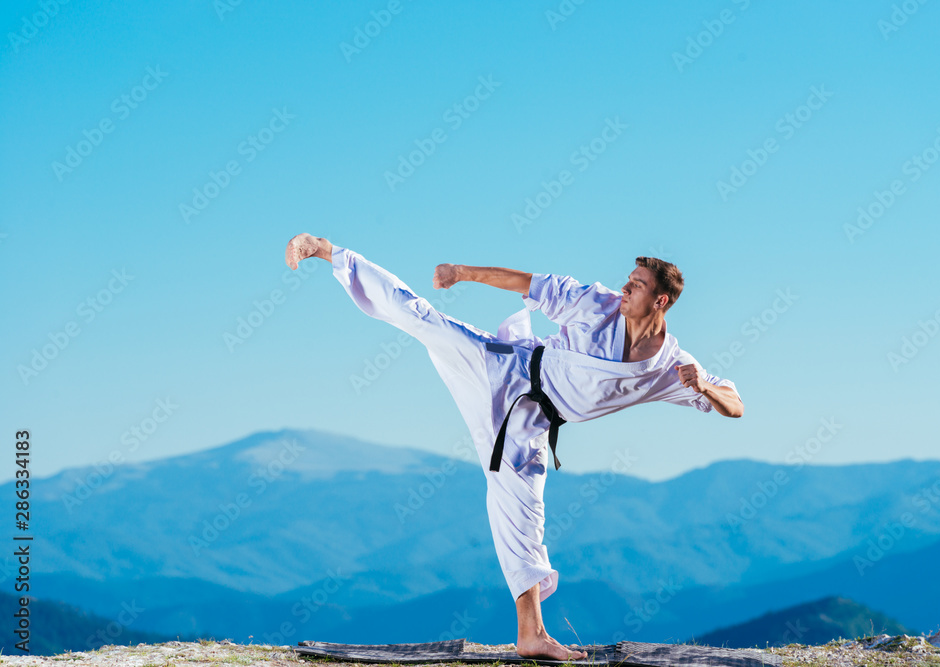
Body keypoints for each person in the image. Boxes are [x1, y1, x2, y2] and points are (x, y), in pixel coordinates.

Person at [284, 233, 743, 660]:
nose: (625, 288)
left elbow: (735, 405)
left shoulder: (672, 367)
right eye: (628, 279)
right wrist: (461, 272)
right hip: (508, 369)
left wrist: (704, 387)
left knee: (523, 511)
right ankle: (328, 251)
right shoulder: (595, 303)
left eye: (637, 285)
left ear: (660, 300)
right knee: (426, 320)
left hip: (531, 420)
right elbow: (529, 282)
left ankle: (532, 635)